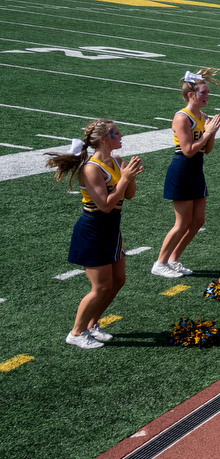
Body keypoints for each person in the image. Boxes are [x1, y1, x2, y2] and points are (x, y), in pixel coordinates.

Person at [48, 121, 144, 349]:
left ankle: (91, 325)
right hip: (93, 231)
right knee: (100, 287)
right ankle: (76, 333)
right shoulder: (91, 169)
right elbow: (105, 205)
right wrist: (124, 178)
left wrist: (130, 177)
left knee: (118, 281)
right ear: (103, 139)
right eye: (116, 133)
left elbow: (129, 195)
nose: (121, 135)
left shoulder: (117, 161)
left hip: (111, 230)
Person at [153, 68, 220, 278]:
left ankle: (173, 259)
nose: (207, 96)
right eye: (204, 92)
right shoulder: (182, 117)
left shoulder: (204, 116)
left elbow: (206, 150)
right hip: (182, 169)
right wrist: (207, 133)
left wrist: (212, 133)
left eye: (208, 92)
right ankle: (160, 263)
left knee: (198, 221)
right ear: (191, 94)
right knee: (182, 223)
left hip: (196, 170)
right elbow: (188, 150)